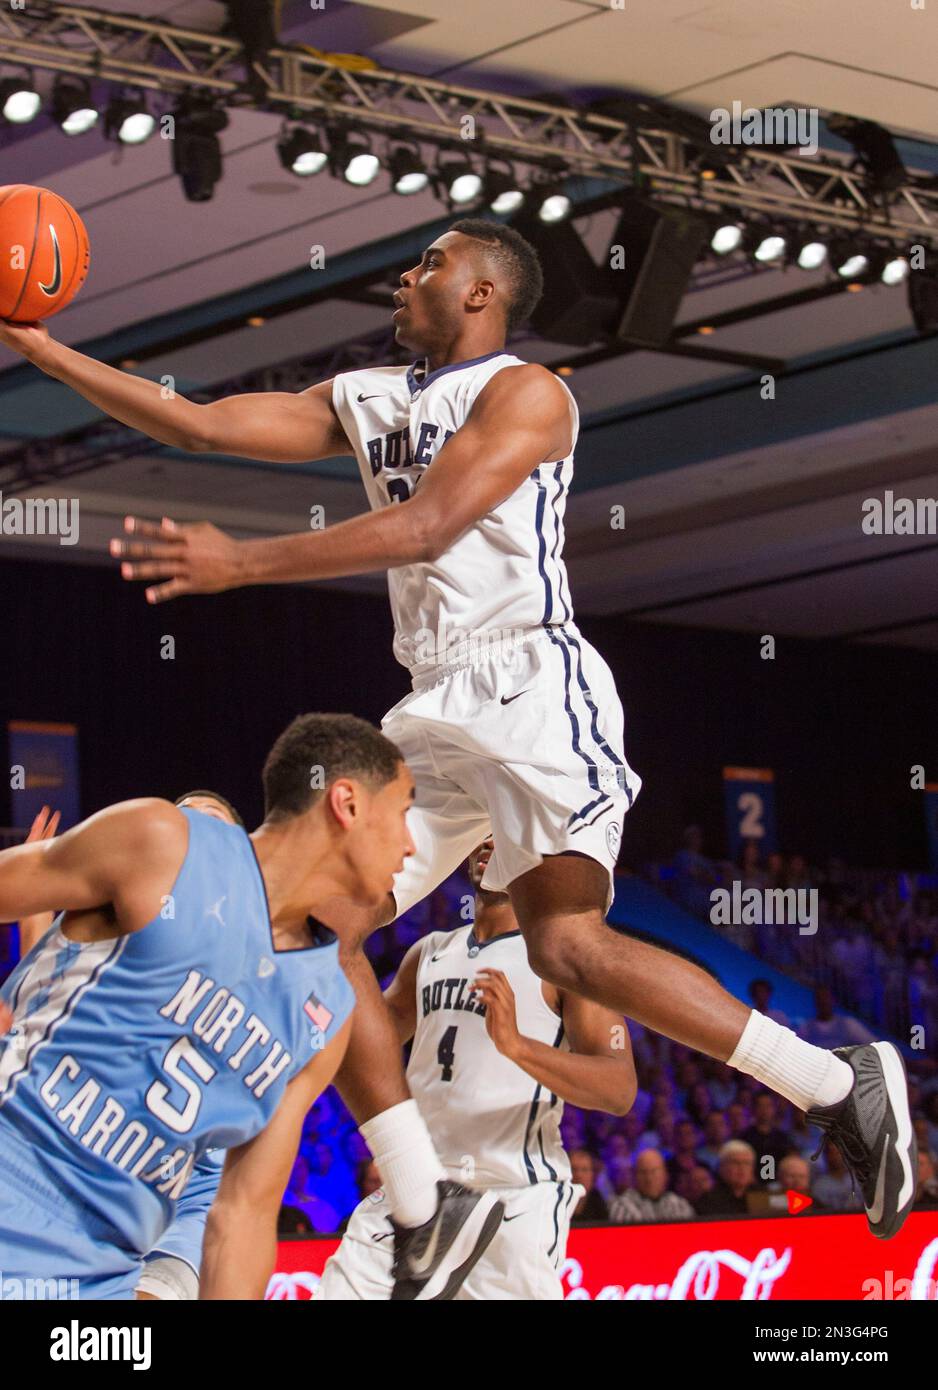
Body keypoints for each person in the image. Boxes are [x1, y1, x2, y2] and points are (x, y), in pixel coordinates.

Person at [1, 221, 916, 1285]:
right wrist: (41, 348)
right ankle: (416, 1187)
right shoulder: (372, 397)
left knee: (565, 947)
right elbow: (197, 423)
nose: (405, 277)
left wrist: (242, 562)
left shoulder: (530, 395)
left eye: (429, 262)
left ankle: (830, 1078)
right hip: (434, 704)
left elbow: (429, 525)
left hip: (529, 686)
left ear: (481, 290)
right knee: (309, 910)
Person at [0, 712, 414, 1298]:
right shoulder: (160, 840)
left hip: (99, 1279)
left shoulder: (327, 1010)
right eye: (402, 813)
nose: (412, 843)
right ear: (345, 804)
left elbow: (242, 1215)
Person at [317, 838, 634, 1299]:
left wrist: (518, 1045)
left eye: (504, 832)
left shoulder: (558, 962)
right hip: (419, 1188)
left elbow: (619, 1088)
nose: (488, 841)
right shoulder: (428, 953)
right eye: (481, 831)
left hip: (514, 1193)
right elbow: (362, 1047)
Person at [13, 793, 246, 1304]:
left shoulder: (256, 948)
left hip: (186, 1197)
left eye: (213, 823)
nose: (195, 831)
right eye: (185, 818)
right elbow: (39, 998)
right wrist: (38, 893)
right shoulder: (113, 909)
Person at [609, 1148, 695, 1224]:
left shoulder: (680, 1205)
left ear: (665, 1175)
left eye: (654, 1172)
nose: (649, 1179)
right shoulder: (622, 1206)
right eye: (643, 1172)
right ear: (634, 1176)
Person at [693, 1141, 758, 1217]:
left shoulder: (762, 1196)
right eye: (735, 1162)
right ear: (722, 1167)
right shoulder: (708, 1201)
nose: (742, 1168)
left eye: (747, 1163)